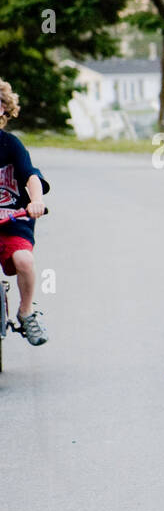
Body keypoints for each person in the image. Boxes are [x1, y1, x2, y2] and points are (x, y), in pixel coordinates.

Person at [0, 79, 50, 346]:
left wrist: (36, 201)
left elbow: (30, 175)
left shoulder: (10, 145)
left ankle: (26, 311)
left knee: (24, 262)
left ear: (4, 110)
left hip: (12, 221)